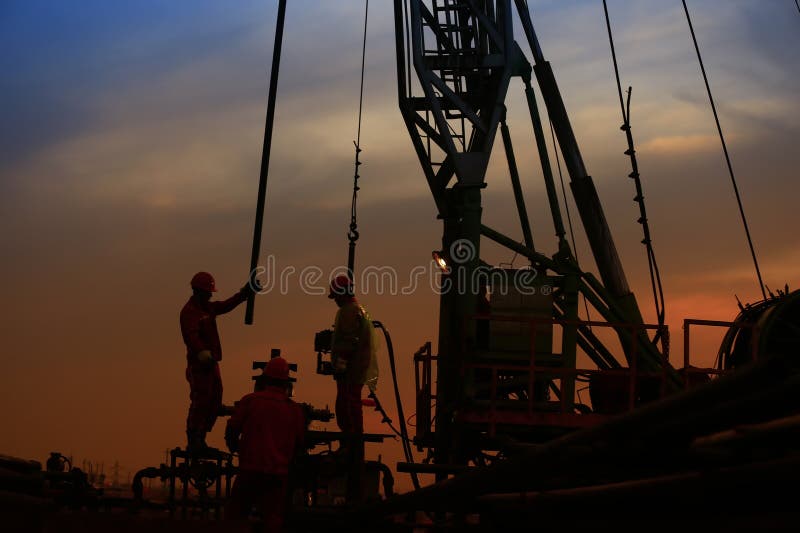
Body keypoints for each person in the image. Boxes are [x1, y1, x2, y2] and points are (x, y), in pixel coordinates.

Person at [225, 357, 306, 532]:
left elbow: (231, 431)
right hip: (277, 476)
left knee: (235, 517)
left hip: (249, 471)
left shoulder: (250, 401)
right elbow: (300, 444)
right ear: (286, 383)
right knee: (273, 520)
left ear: (264, 379)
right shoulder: (294, 410)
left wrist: (237, 449)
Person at [180, 271, 258, 453]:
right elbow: (190, 336)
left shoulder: (207, 308)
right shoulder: (189, 312)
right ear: (198, 291)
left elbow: (224, 306)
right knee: (201, 399)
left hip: (211, 363)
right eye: (208, 292)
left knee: (215, 397)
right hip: (199, 365)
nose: (210, 295)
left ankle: (202, 436)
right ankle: (194, 438)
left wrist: (243, 294)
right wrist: (201, 352)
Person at [327, 275, 378, 502]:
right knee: (351, 405)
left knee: (346, 406)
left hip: (350, 371)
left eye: (335, 296)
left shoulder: (348, 311)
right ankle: (351, 442)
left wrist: (341, 363)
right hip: (357, 370)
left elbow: (348, 339)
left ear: (340, 293)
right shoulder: (361, 310)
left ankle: (350, 443)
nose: (335, 301)